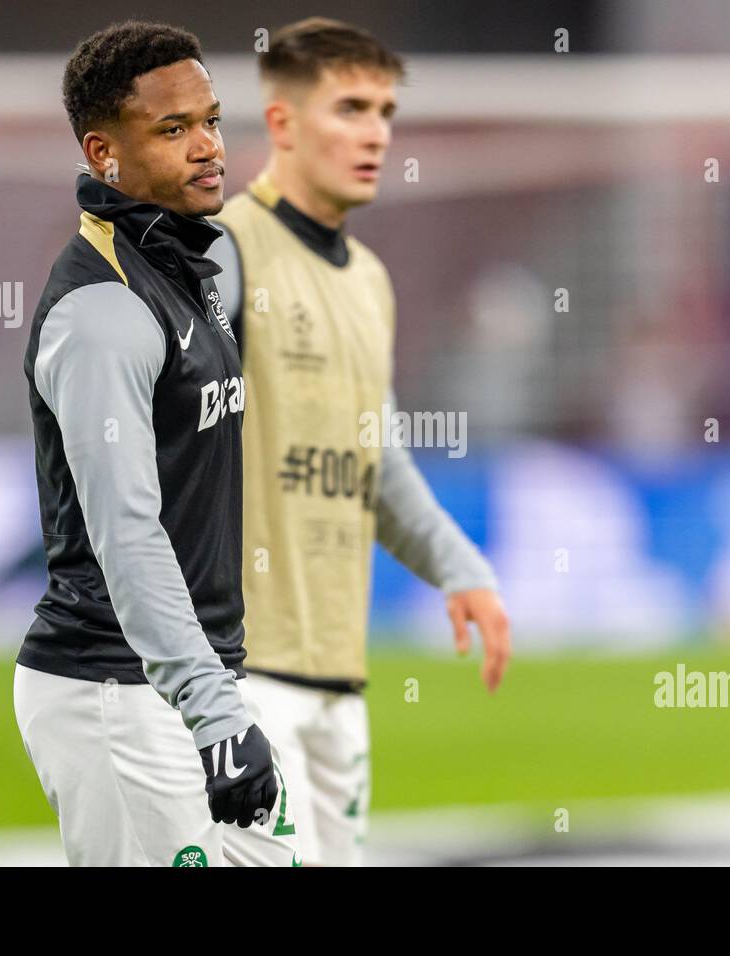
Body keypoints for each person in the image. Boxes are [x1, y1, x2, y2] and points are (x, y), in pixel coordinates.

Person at [206, 17, 511, 866]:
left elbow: (377, 460)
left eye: (384, 110)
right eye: (349, 107)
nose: (376, 131)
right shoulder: (224, 253)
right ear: (282, 125)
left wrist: (461, 569)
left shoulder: (371, 280)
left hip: (339, 676)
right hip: (242, 674)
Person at [12, 20, 298, 867]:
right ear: (102, 153)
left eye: (211, 120)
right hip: (114, 690)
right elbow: (127, 532)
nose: (209, 146)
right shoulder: (101, 314)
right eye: (173, 130)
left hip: (190, 681)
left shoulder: (194, 265)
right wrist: (213, 708)